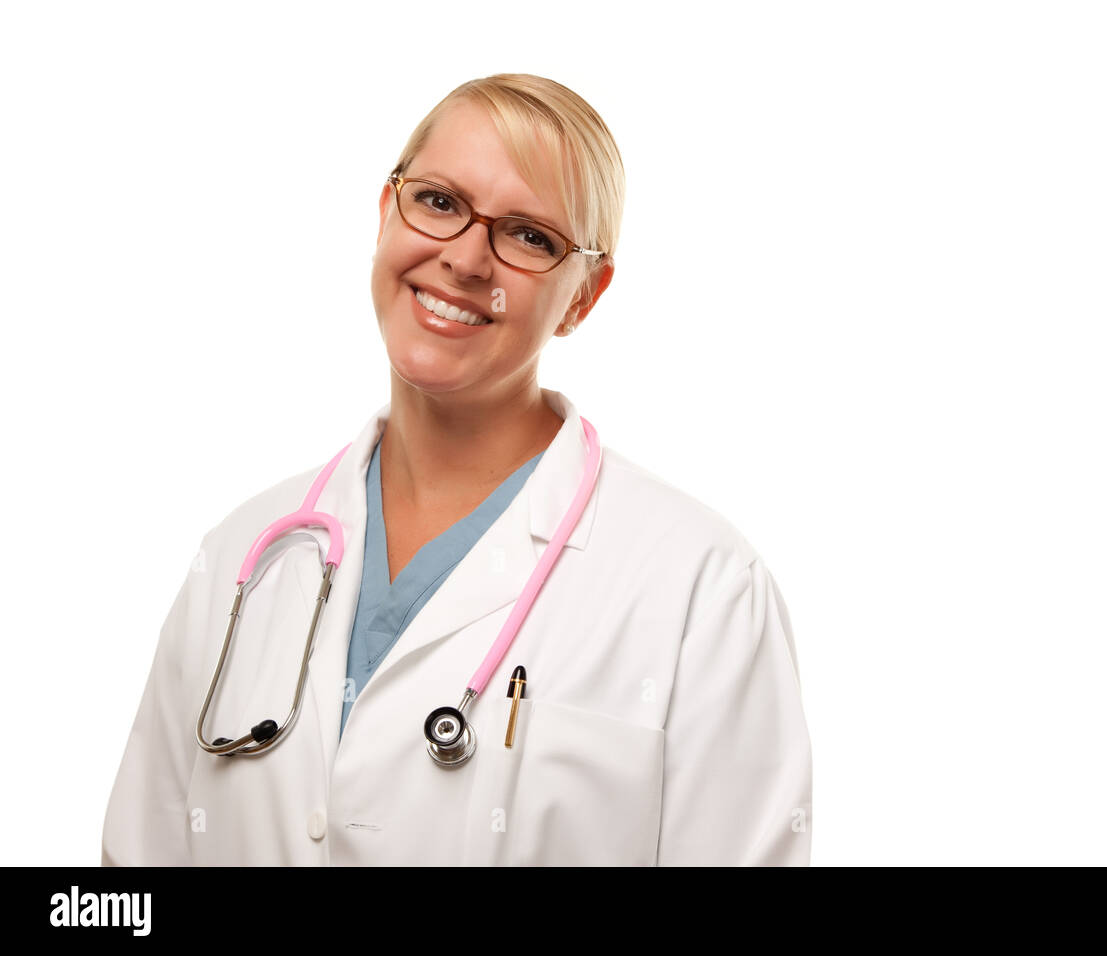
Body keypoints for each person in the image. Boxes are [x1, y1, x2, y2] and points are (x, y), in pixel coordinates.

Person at [101, 73, 812, 866]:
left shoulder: (703, 588)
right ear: (385, 211)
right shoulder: (244, 557)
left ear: (585, 297)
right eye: (439, 201)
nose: (467, 261)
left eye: (529, 236)